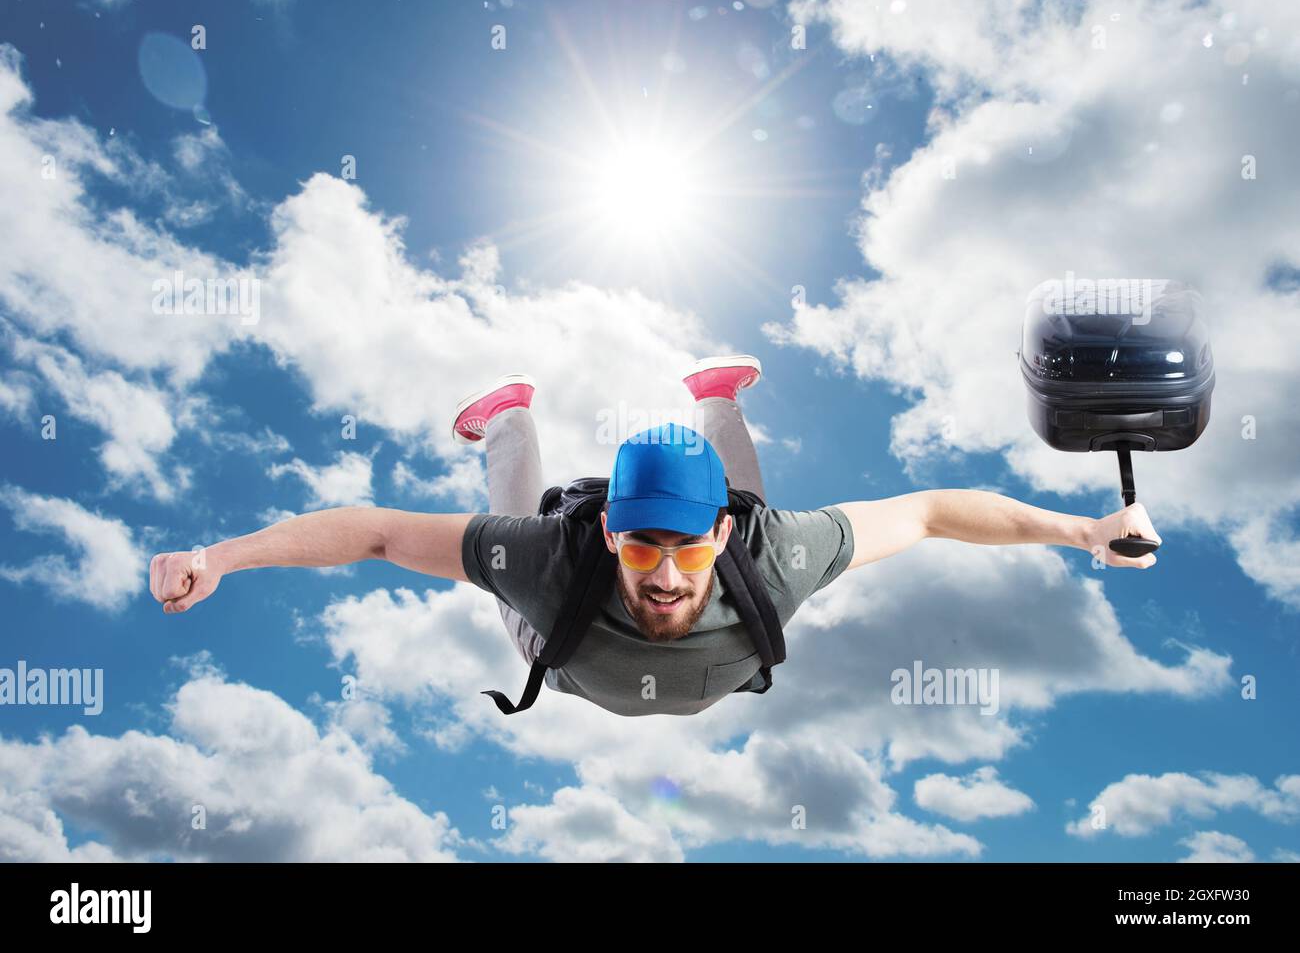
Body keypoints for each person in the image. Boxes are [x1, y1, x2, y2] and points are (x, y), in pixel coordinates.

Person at [149, 355, 1161, 717]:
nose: (664, 575)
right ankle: (506, 417)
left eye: (685, 545)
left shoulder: (763, 547)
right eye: (642, 546)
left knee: (765, 523)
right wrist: (221, 559)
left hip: (741, 595)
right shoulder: (562, 562)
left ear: (709, 534)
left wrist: (1085, 531)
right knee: (512, 537)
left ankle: (712, 399)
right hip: (573, 660)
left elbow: (935, 511)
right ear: (615, 533)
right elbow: (373, 533)